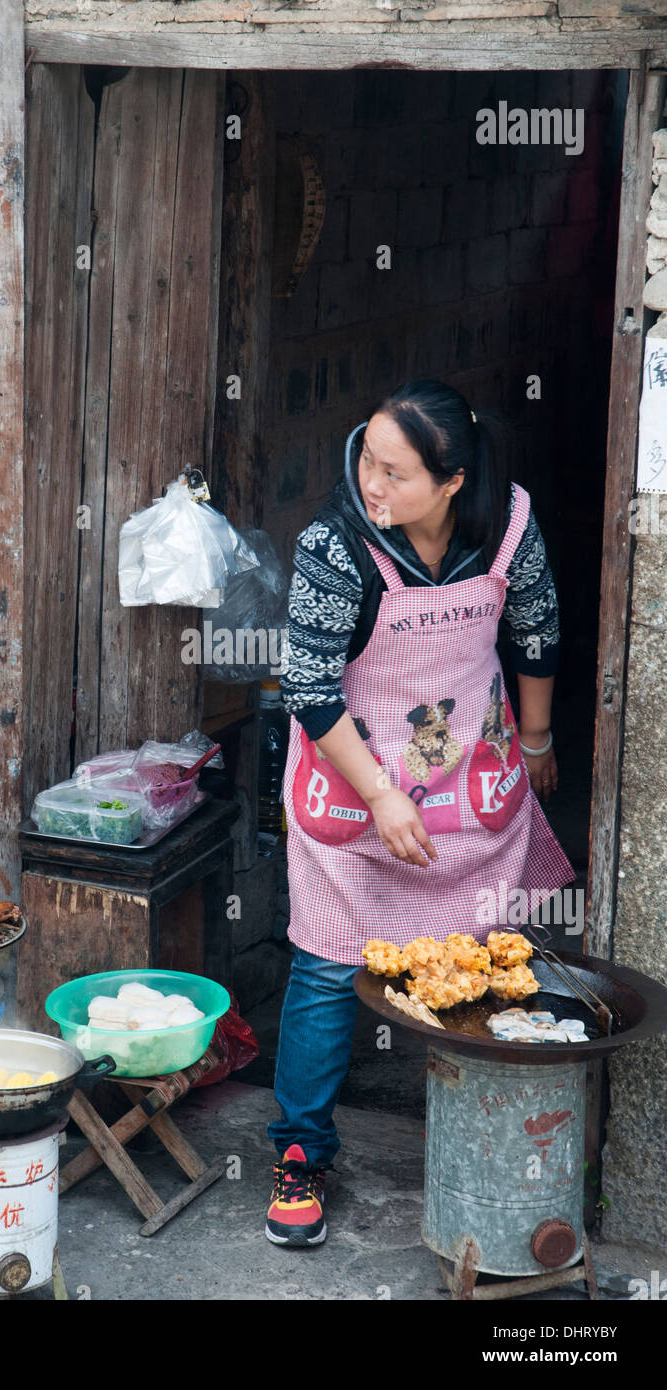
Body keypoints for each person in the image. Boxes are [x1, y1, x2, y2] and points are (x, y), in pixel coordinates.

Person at [265, 378, 574, 1247]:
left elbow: (537, 627)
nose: (372, 484)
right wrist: (379, 795)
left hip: (470, 772)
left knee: (473, 964)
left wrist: (540, 741)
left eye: (394, 473)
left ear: (453, 484)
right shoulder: (336, 542)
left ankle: (470, 1147)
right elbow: (309, 689)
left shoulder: (506, 521)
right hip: (353, 778)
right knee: (328, 968)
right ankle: (298, 1152)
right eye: (367, 458)